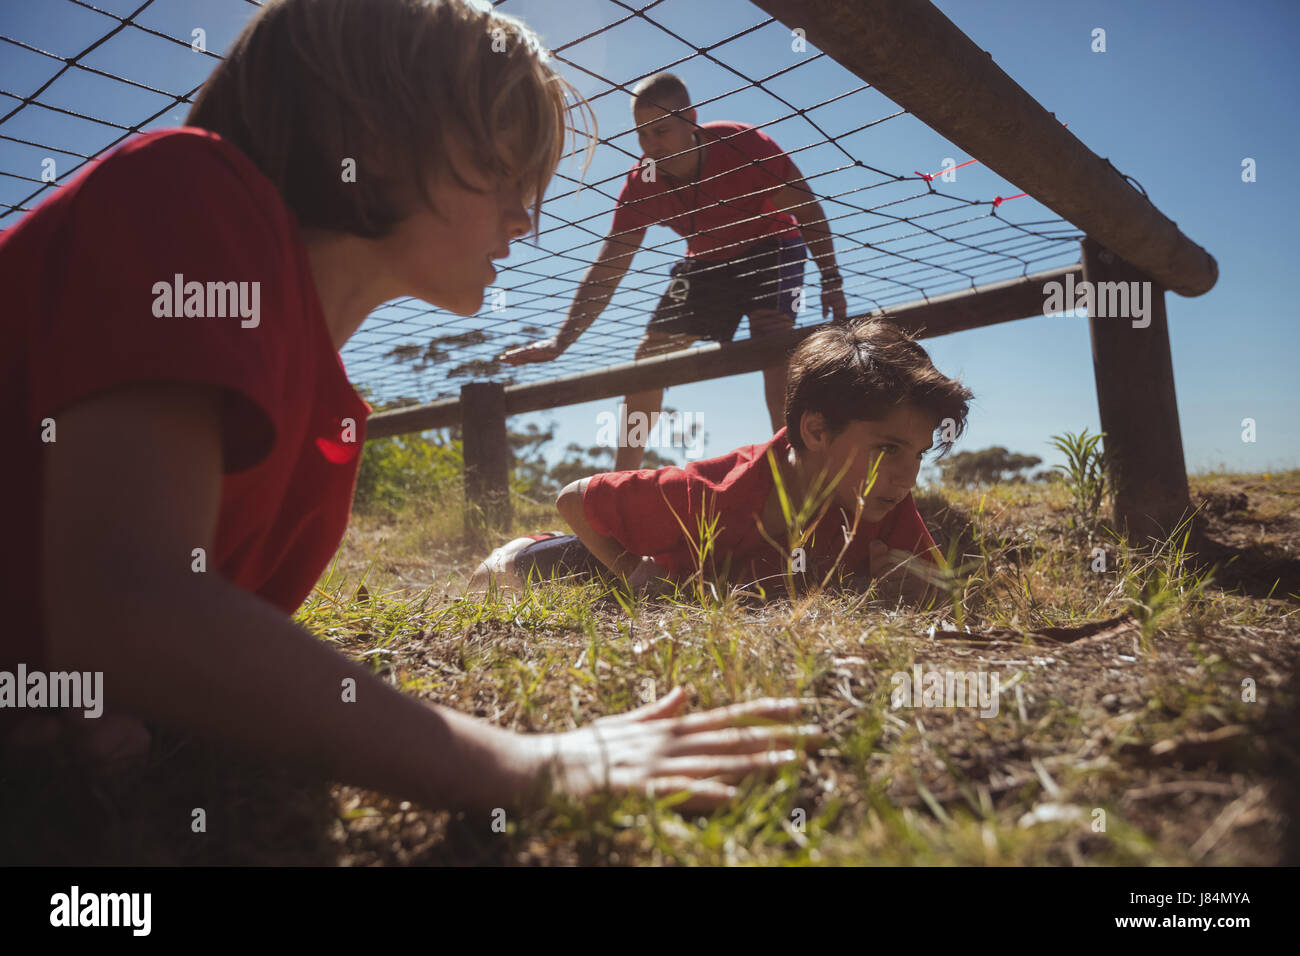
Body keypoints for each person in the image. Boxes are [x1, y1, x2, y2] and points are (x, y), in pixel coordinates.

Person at [1, 0, 819, 817]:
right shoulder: (186, 182)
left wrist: (94, 694)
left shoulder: (326, 427)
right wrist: (525, 767)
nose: (526, 216)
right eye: (503, 165)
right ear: (376, 139)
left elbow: (131, 633)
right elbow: (129, 598)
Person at [472, 320, 974, 604]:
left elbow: (941, 593)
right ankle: (520, 546)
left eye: (919, 454)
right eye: (887, 449)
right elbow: (575, 499)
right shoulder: (714, 495)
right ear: (817, 431)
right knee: (486, 585)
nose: (908, 478)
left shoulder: (882, 501)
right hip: (594, 559)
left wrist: (925, 588)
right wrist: (634, 575)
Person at [499, 72, 849, 471]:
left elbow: (808, 212)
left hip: (773, 245)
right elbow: (609, 267)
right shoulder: (641, 183)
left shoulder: (745, 145)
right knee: (648, 359)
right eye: (642, 135)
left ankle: (795, 474)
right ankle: (622, 483)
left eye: (661, 131)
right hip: (705, 261)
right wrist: (560, 342)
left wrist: (831, 280)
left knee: (772, 344)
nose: (651, 146)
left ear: (691, 120)